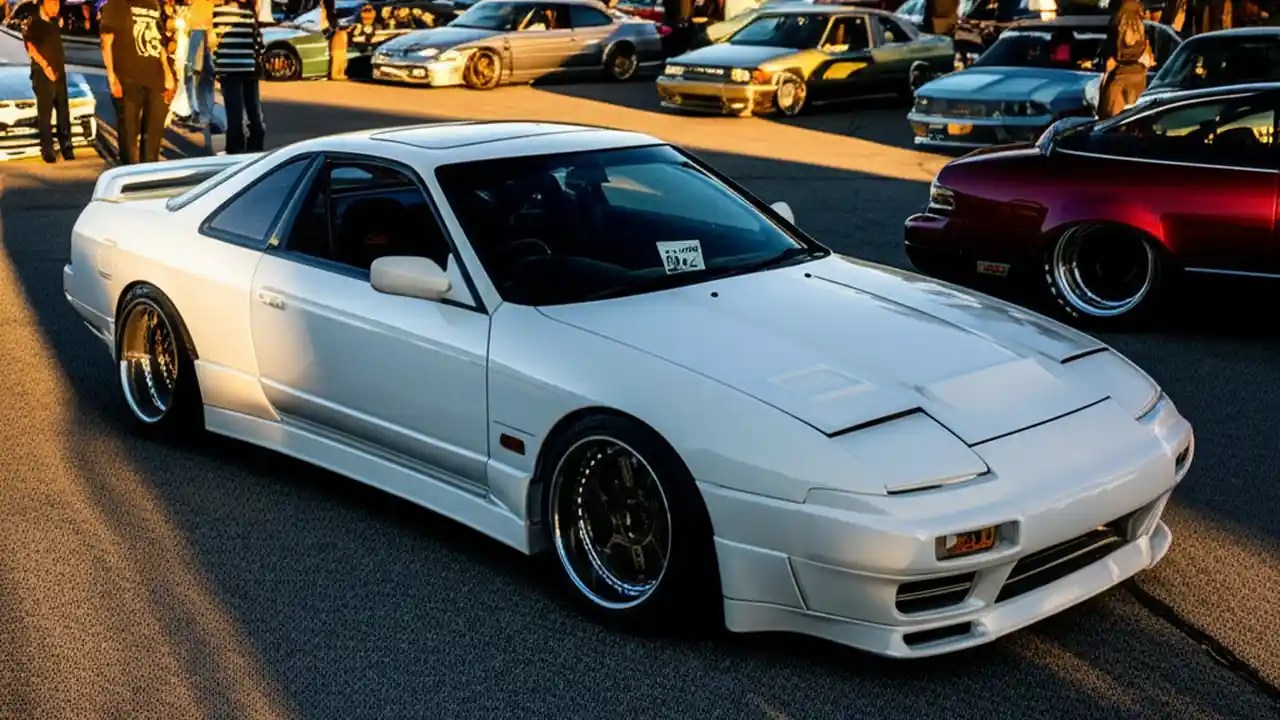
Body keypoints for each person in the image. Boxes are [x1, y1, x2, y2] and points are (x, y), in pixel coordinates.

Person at [100, 0, 177, 164]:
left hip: (155, 77)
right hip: (127, 79)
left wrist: (168, 73)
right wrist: (112, 77)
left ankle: (149, 172)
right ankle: (129, 171)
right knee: (129, 134)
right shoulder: (116, 4)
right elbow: (106, 40)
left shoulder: (153, 4)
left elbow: (159, 42)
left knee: (153, 135)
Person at [210, 0, 265, 153]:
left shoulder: (218, 12)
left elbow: (214, 43)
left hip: (227, 68)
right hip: (248, 67)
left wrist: (216, 65)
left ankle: (235, 148)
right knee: (253, 110)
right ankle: (255, 146)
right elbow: (257, 43)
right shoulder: (248, 13)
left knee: (234, 112)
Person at [24, 0, 74, 163]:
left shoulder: (54, 23)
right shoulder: (34, 23)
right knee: (45, 113)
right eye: (53, 3)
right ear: (43, 3)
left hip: (59, 71)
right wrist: (46, 67)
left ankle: (66, 145)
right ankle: (47, 149)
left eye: (58, 4)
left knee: (63, 110)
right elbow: (31, 48)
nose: (56, 7)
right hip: (43, 73)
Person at [1098, 0, 1150, 119]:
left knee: (1115, 120)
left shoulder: (1119, 18)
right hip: (1138, 75)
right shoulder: (1141, 23)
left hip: (1119, 75)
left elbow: (1112, 117)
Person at [181, 0, 215, 128]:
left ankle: (201, 114)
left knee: (202, 73)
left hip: (204, 27)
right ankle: (196, 112)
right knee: (192, 71)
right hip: (191, 26)